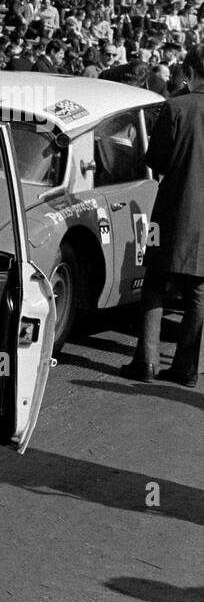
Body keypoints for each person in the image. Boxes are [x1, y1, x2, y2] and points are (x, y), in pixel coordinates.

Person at [121, 43, 204, 388]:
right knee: (199, 291)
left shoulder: (176, 107)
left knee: (154, 280)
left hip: (171, 208)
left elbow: (155, 160)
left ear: (188, 72)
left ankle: (146, 361)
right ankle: (186, 368)